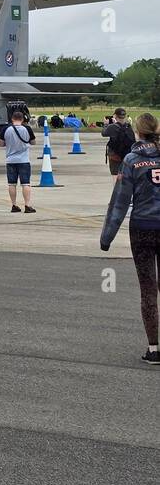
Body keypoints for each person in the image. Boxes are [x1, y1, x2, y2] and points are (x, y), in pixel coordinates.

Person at [100, 111, 160, 366]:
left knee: (148, 290)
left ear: (138, 131)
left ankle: (154, 349)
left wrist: (107, 237)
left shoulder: (132, 160)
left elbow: (120, 203)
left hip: (142, 228)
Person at [0, 110, 36, 214]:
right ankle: (27, 205)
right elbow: (33, 142)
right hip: (24, 160)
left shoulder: (5, 129)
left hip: (10, 160)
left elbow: (1, 144)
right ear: (22, 119)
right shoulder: (27, 128)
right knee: (26, 183)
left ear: (12, 119)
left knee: (11, 184)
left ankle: (14, 205)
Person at [103, 107, 136, 178]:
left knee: (115, 175)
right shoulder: (128, 126)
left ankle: (117, 189)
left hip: (114, 155)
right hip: (126, 155)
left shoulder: (112, 127)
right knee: (125, 175)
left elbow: (104, 133)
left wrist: (106, 124)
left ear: (115, 115)